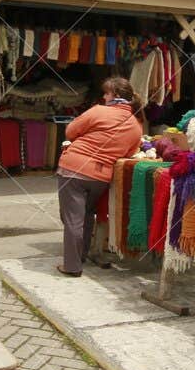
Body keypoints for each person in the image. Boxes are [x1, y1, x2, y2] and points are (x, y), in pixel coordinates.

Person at [55, 77, 142, 276]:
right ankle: (81, 256)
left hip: (74, 169)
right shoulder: (136, 126)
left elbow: (70, 132)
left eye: (107, 93)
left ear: (116, 96)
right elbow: (129, 152)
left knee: (72, 219)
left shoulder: (98, 111)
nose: (104, 96)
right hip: (101, 177)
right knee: (86, 215)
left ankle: (72, 267)